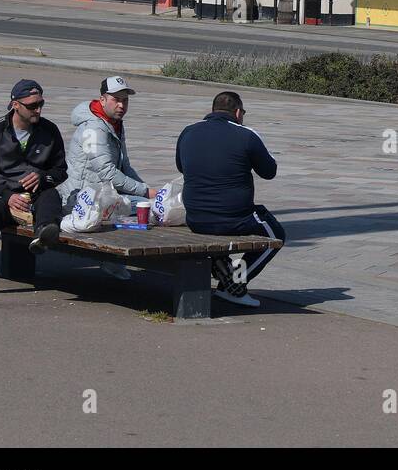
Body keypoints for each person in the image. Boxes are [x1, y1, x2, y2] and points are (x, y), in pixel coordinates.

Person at [175, 91, 284, 308]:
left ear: (213, 110)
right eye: (243, 113)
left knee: (223, 230)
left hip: (196, 217)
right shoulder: (246, 134)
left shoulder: (188, 132)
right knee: (276, 235)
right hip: (234, 217)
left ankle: (228, 278)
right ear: (237, 112)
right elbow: (269, 171)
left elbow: (181, 166)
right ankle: (234, 284)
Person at [0, 79, 68, 297]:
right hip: (3, 196)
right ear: (15, 105)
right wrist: (7, 196)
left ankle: (43, 235)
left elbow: (61, 170)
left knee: (51, 195)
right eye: (32, 106)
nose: (38, 110)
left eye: (41, 103)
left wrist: (43, 177)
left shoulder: (49, 130)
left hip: (36, 196)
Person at [58, 75, 155, 281]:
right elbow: (107, 173)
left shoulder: (115, 123)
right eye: (116, 99)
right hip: (83, 199)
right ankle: (112, 259)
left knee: (151, 205)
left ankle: (116, 259)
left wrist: (147, 189)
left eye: (125, 100)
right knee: (148, 209)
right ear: (102, 100)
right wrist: (145, 192)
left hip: (105, 193)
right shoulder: (93, 128)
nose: (121, 105)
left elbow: (124, 166)